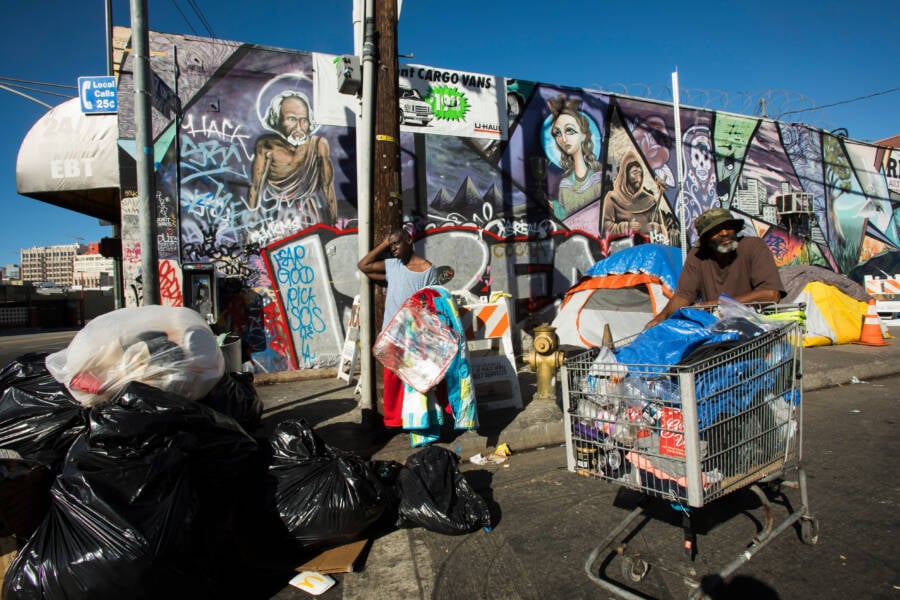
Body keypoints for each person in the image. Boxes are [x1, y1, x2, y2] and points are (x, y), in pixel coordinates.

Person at [645, 208, 785, 329]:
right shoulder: (698, 255)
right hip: (714, 325)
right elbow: (683, 296)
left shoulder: (754, 246)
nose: (724, 233)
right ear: (706, 238)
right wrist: (660, 318)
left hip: (752, 323)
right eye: (716, 230)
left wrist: (714, 304)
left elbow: (771, 294)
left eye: (728, 227)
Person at [358, 228, 438, 428]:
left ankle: (418, 421)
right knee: (392, 379)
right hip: (391, 333)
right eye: (391, 245)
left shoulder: (428, 270)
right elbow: (363, 265)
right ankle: (394, 422)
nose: (393, 248)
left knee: (416, 379)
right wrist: (384, 243)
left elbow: (433, 302)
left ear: (409, 240)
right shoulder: (392, 265)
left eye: (396, 243)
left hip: (416, 335)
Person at [248, 91, 337, 223]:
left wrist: (334, 224)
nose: (299, 127)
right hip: (276, 216)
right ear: (277, 120)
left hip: (310, 216)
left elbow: (328, 187)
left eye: (304, 120)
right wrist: (251, 227)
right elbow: (256, 187)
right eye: (292, 119)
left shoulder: (318, 145)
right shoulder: (267, 146)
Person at [547, 95, 603, 218]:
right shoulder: (565, 184)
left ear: (583, 134)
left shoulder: (598, 179)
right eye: (557, 133)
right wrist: (551, 205)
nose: (563, 139)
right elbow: (565, 216)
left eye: (570, 130)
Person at [601, 150, 668, 243]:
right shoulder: (612, 198)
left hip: (647, 250)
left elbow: (664, 233)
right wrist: (626, 227)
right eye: (635, 173)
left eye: (640, 173)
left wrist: (657, 228)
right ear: (625, 175)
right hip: (624, 251)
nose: (639, 178)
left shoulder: (649, 201)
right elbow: (605, 228)